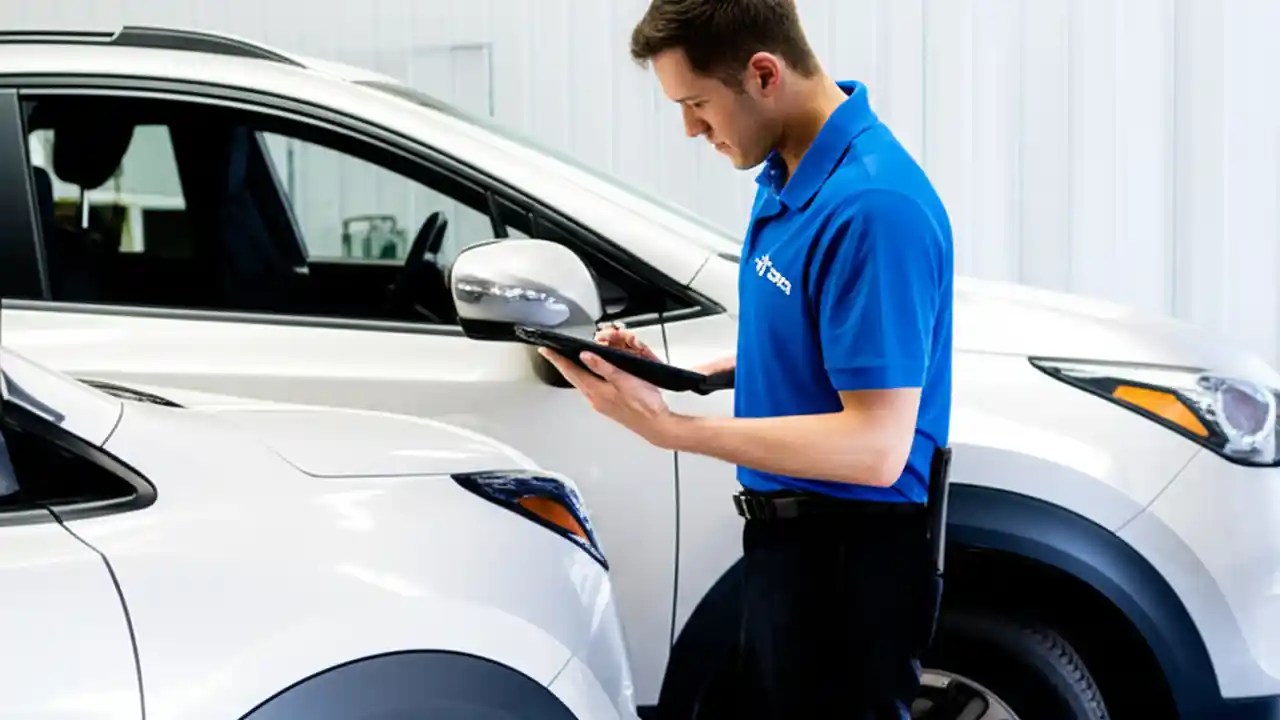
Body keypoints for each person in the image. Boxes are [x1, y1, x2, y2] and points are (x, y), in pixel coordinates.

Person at [537, 0, 954, 717]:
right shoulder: (790, 173)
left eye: (697, 103)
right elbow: (820, 336)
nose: (691, 127)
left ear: (764, 73)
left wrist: (671, 430)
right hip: (789, 548)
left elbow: (875, 446)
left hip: (850, 560)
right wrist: (692, 377)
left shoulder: (874, 207)